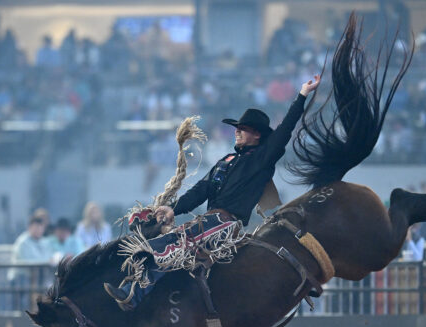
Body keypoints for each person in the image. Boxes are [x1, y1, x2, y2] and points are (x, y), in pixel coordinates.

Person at [104, 74, 322, 309]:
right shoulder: (226, 160)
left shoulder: (262, 158)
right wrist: (173, 209)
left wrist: (302, 95)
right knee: (165, 241)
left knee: (175, 242)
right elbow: (202, 189)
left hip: (227, 225)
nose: (237, 132)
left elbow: (285, 129)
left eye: (243, 129)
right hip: (208, 221)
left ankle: (134, 295)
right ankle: (133, 290)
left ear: (257, 134)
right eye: (237, 129)